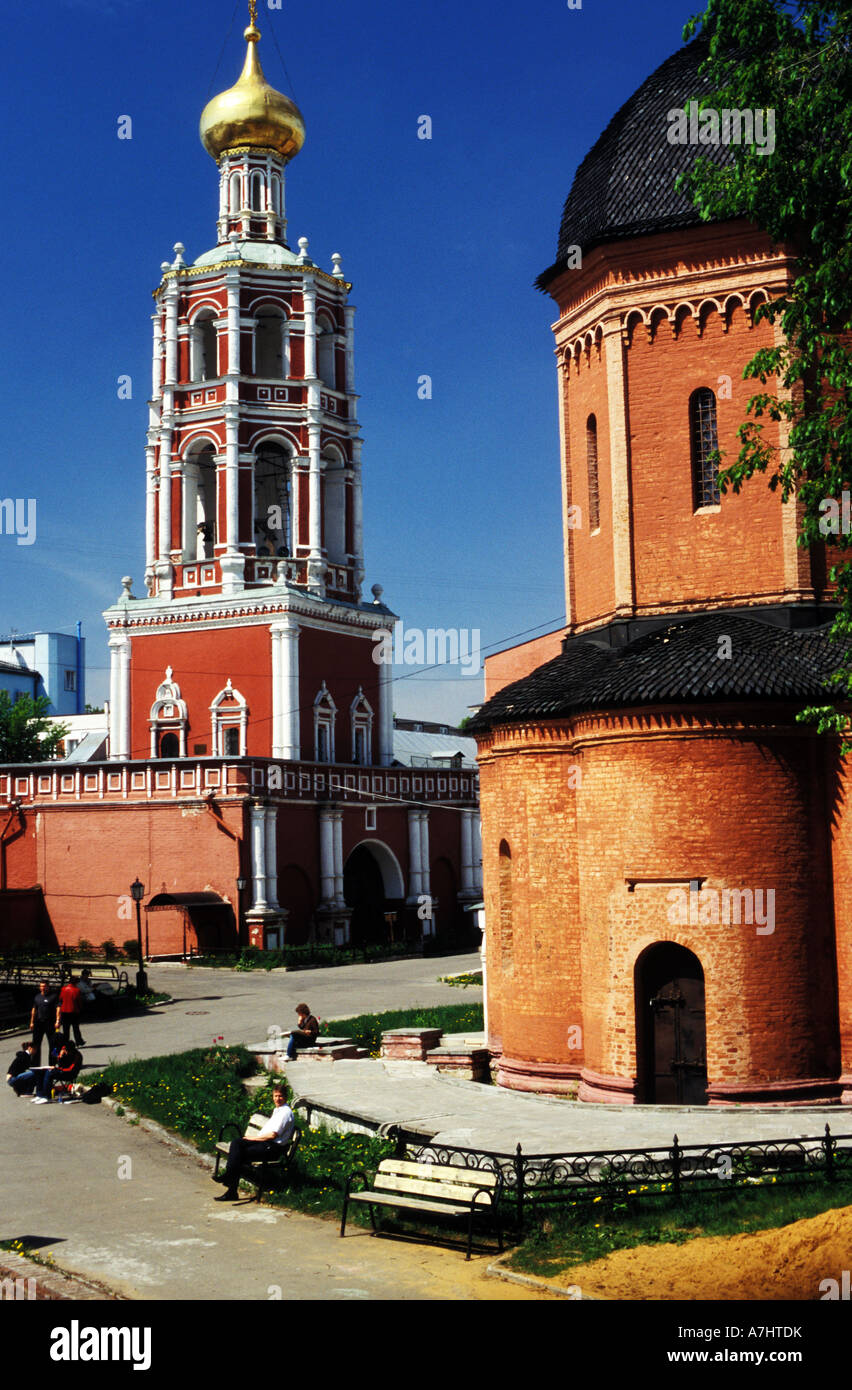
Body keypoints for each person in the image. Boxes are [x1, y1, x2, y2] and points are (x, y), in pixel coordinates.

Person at [214, 1083, 295, 1201]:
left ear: (286, 1097)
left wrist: (252, 1138)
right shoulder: (278, 1110)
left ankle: (230, 1185)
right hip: (264, 1143)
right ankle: (229, 1178)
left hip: (272, 1149)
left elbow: (272, 1135)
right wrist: (251, 1139)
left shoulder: (285, 1113)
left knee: (239, 1153)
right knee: (237, 1143)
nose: (277, 1099)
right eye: (275, 1096)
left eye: (280, 1096)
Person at [30, 979, 58, 1064]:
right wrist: (31, 1022)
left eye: (45, 986)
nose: (43, 988)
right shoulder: (37, 997)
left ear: (48, 987)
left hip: (50, 1022)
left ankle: (53, 1063)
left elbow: (58, 1009)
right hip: (38, 1023)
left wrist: (58, 1020)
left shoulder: (53, 996)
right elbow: (34, 1010)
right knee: (36, 1044)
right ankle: (35, 1064)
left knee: (53, 1044)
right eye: (41, 986)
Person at [55, 975, 86, 1047]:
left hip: (64, 1011)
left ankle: (65, 1043)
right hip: (74, 1011)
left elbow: (61, 999)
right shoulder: (77, 990)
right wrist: (80, 1009)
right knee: (76, 1028)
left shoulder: (63, 989)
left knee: (66, 1029)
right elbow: (79, 1001)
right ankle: (79, 1041)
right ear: (76, 982)